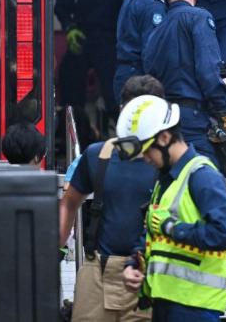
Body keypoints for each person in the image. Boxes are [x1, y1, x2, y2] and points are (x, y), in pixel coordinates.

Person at [118, 95, 226, 322]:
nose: (145, 158)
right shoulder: (166, 179)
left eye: (147, 150)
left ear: (165, 137)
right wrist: (133, 263)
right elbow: (153, 229)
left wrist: (173, 228)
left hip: (195, 307)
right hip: (165, 302)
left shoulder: (202, 176)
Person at [58, 76, 164, 322]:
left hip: (150, 272)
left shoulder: (171, 163)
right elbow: (69, 203)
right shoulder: (98, 155)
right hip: (97, 273)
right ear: (122, 111)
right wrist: (55, 250)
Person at [142, 0, 226, 163]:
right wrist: (224, 110)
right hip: (193, 120)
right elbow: (208, 72)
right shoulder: (199, 18)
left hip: (164, 120)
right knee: (204, 173)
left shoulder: (155, 33)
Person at [56, 0, 141, 129]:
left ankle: (121, 132)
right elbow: (61, 5)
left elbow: (137, 14)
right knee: (70, 88)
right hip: (81, 38)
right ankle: (73, 131)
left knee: (116, 93)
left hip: (111, 42)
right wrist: (70, 29)